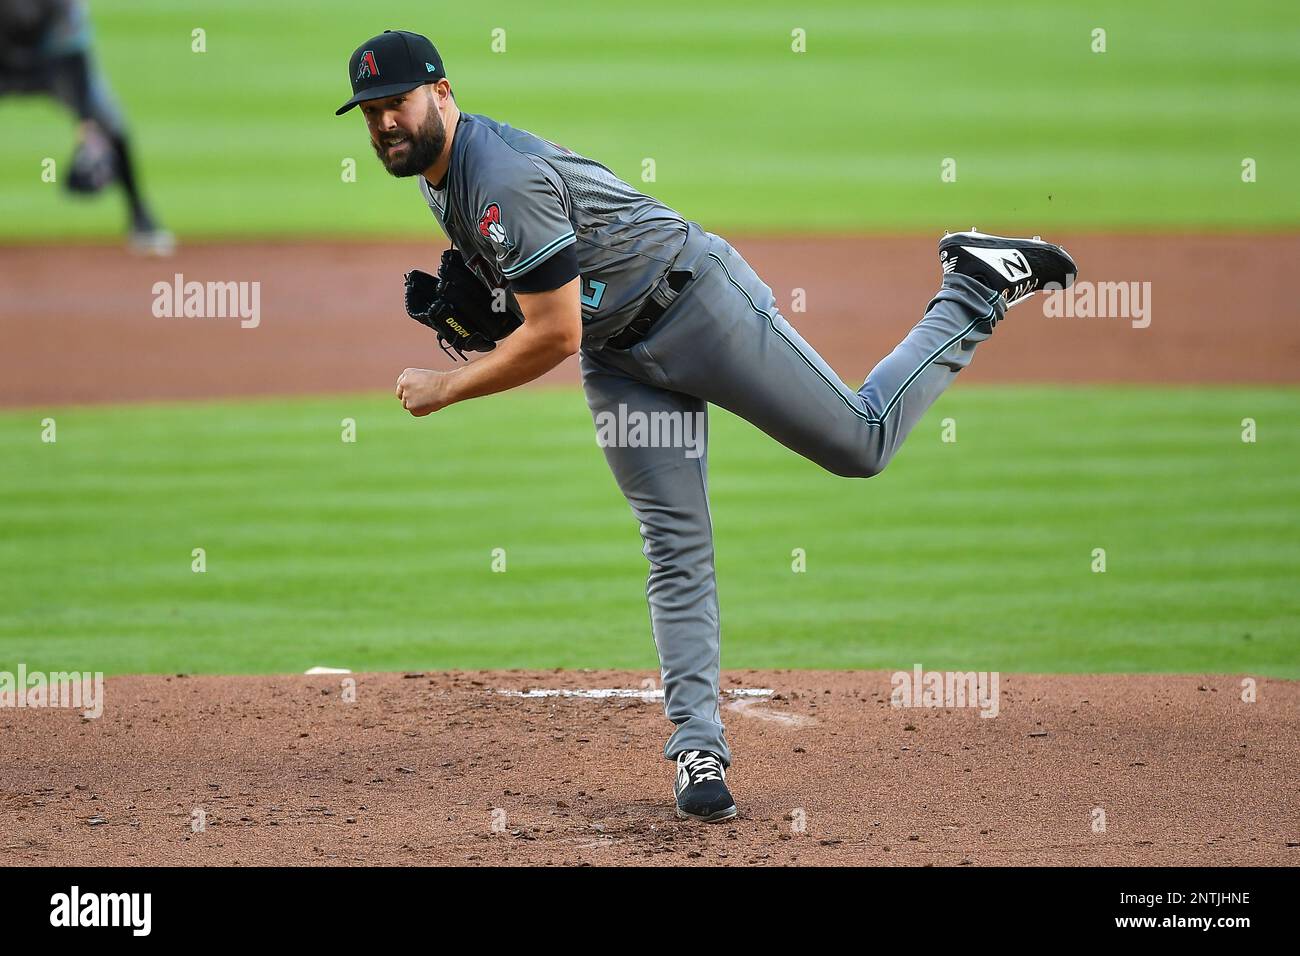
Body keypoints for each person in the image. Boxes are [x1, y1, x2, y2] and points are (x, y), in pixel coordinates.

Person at [338, 30, 1077, 822]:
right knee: (674, 543)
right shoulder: (437, 178)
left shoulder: (499, 180)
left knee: (860, 444)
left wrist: (447, 386)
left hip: (700, 309)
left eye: (399, 104)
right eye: (372, 111)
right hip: (623, 362)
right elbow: (550, 301)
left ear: (442, 95)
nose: (386, 123)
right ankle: (698, 752)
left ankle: (972, 285)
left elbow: (553, 334)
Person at [0, 0, 173, 253]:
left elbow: (73, 58)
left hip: (50, 65)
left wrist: (87, 128)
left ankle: (140, 216)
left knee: (108, 119)